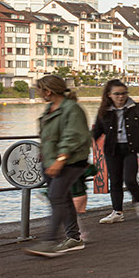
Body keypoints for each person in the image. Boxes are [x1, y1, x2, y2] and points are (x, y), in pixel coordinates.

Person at [26, 74, 92, 257]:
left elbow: (74, 137)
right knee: (63, 198)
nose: (38, 94)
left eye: (39, 90)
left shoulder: (72, 109)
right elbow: (49, 135)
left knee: (56, 197)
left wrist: (60, 160)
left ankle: (49, 242)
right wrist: (44, 154)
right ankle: (74, 239)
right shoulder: (50, 108)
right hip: (51, 161)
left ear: (48, 91)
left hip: (70, 162)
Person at [90, 79, 139, 223]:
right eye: (117, 94)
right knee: (115, 181)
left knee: (129, 179)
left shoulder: (137, 108)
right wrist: (87, 144)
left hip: (131, 148)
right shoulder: (105, 111)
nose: (121, 97)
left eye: (123, 94)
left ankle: (137, 201)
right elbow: (97, 130)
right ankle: (117, 212)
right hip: (112, 149)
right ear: (109, 94)